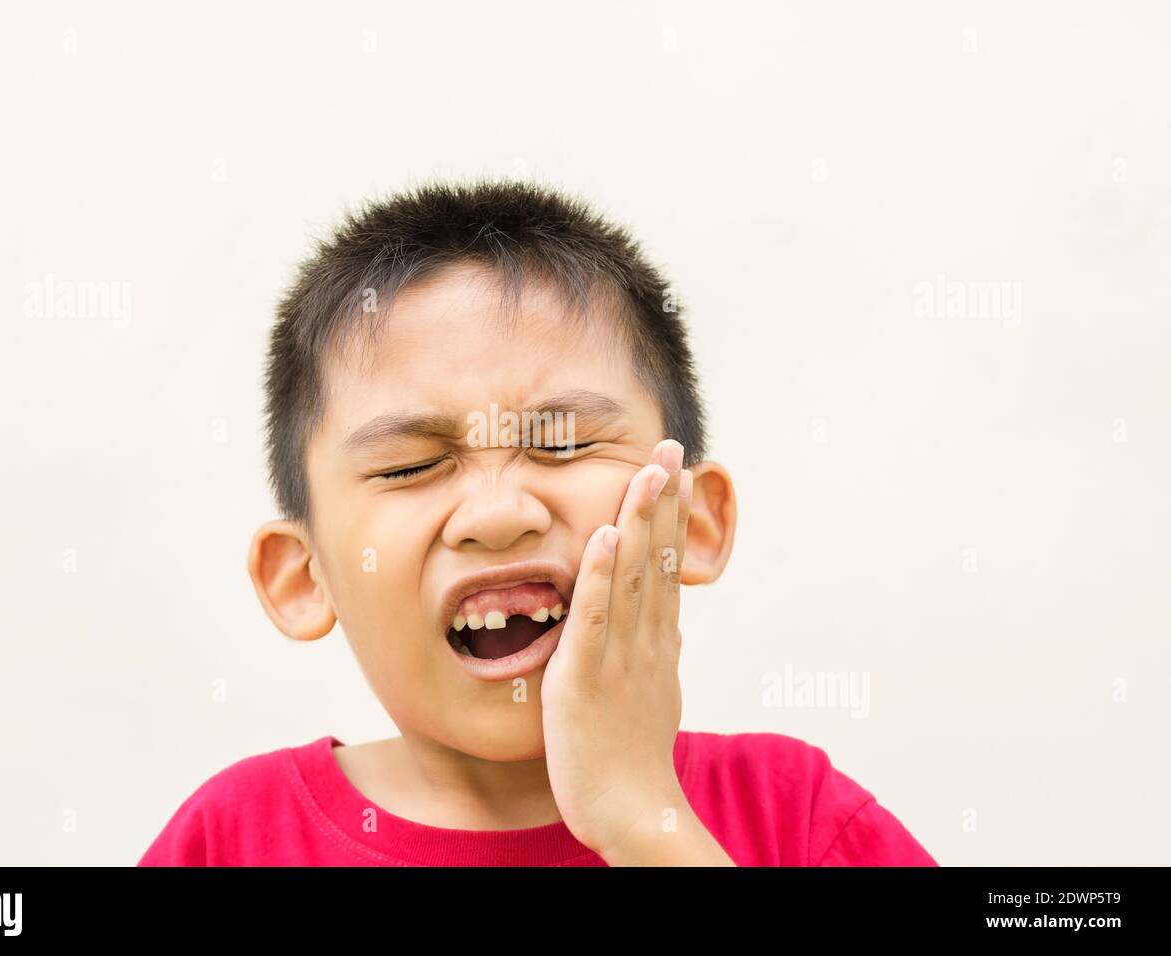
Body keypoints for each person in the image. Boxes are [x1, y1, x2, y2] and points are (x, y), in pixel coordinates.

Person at [138, 177, 937, 866]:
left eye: (563, 443)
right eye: (411, 466)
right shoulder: (233, 838)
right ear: (302, 578)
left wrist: (641, 818)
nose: (496, 514)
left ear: (690, 521)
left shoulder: (794, 816)